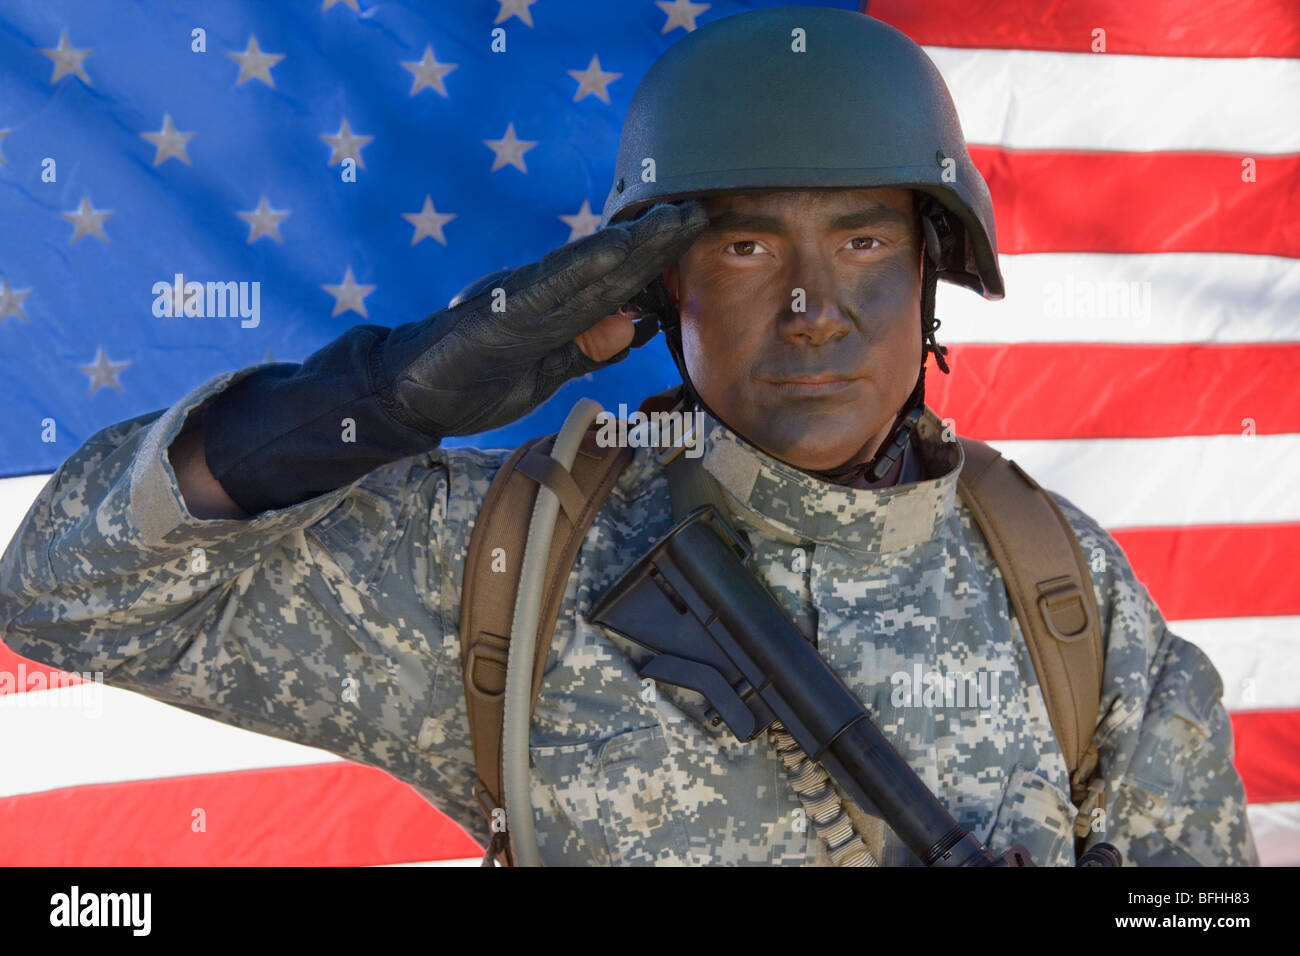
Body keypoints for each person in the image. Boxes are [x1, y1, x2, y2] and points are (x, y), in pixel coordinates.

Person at [0, 6, 1257, 866]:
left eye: (864, 241)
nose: (813, 309)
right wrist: (381, 399)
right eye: (748, 245)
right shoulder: (508, 558)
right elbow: (71, 592)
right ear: (662, 287)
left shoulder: (1059, 583)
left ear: (934, 274)